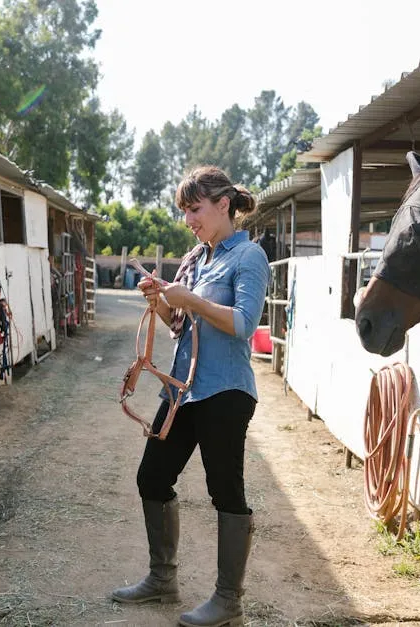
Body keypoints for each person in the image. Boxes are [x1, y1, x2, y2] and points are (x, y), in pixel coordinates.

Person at [111, 166, 270, 627]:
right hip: (184, 389)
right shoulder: (197, 259)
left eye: (194, 209)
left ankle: (228, 602)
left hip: (226, 391)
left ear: (224, 206)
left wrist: (192, 300)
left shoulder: (248, 257)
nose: (188, 221)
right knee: (152, 476)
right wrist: (160, 302)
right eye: (184, 211)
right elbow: (184, 329)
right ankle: (162, 579)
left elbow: (243, 324)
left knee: (225, 490)